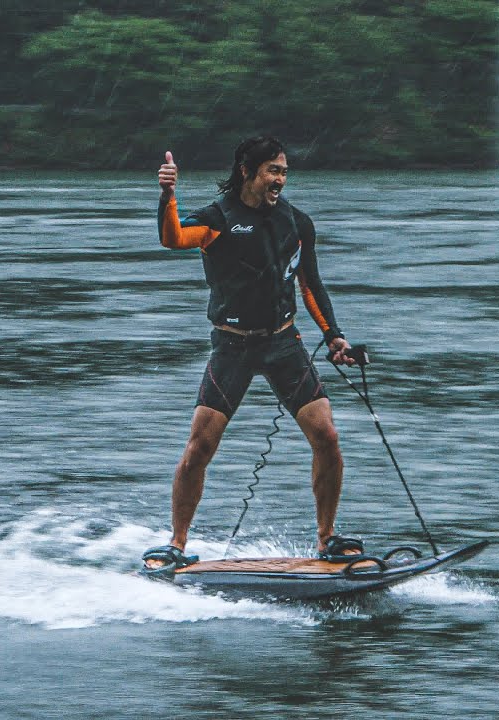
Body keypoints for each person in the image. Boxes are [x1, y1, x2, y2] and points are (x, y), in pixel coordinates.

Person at [143, 136, 366, 572]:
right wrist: (168, 195)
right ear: (247, 171)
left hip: (284, 343)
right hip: (233, 346)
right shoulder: (217, 219)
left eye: (283, 172)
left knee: (328, 437)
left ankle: (328, 538)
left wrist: (335, 337)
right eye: (272, 171)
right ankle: (176, 542)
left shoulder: (297, 223)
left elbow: (310, 285)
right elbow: (173, 238)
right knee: (200, 447)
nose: (280, 180)